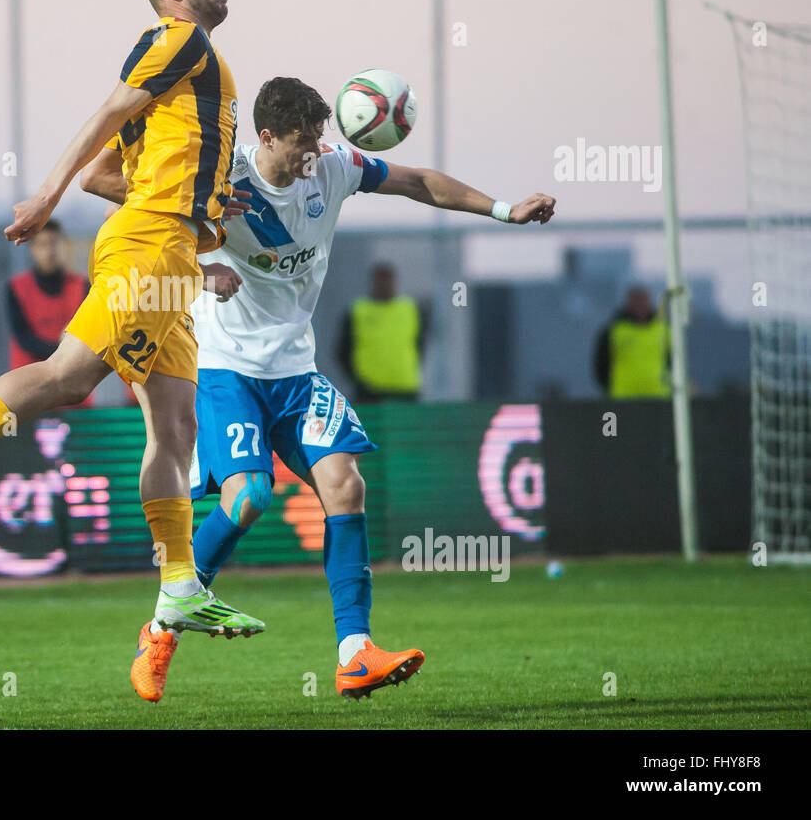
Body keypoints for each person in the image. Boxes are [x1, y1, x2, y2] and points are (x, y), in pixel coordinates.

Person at [83, 76, 557, 701]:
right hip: (224, 363)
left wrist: (504, 210)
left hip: (295, 368)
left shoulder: (334, 166)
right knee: (251, 495)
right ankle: (163, 628)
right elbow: (108, 187)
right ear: (267, 137)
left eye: (320, 137)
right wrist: (200, 266)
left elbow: (419, 183)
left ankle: (354, 654)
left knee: (345, 484)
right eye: (302, 142)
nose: (315, 152)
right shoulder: (222, 174)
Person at [0, 0, 266, 644]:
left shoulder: (192, 69)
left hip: (173, 249)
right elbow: (104, 116)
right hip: (149, 245)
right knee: (69, 377)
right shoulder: (179, 40)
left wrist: (204, 194)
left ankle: (180, 585)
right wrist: (41, 199)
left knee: (175, 428)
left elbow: (105, 176)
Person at [5, 219, 92, 407]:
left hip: (74, 396)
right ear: (33, 250)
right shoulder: (16, 288)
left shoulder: (82, 285)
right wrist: (65, 349)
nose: (50, 251)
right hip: (29, 395)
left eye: (54, 243)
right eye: (43, 245)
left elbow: (91, 339)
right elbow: (24, 339)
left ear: (64, 246)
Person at [338, 263, 427, 402]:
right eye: (380, 280)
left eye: (388, 280)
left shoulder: (410, 309)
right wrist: (360, 382)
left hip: (405, 390)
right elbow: (343, 351)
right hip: (369, 393)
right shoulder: (359, 310)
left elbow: (420, 345)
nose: (385, 284)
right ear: (372, 282)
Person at [593, 286, 670, 398]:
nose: (640, 305)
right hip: (622, 395)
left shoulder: (663, 329)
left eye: (643, 300)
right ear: (628, 303)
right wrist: (608, 387)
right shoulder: (614, 330)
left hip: (659, 394)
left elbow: (673, 361)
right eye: (636, 301)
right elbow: (601, 364)